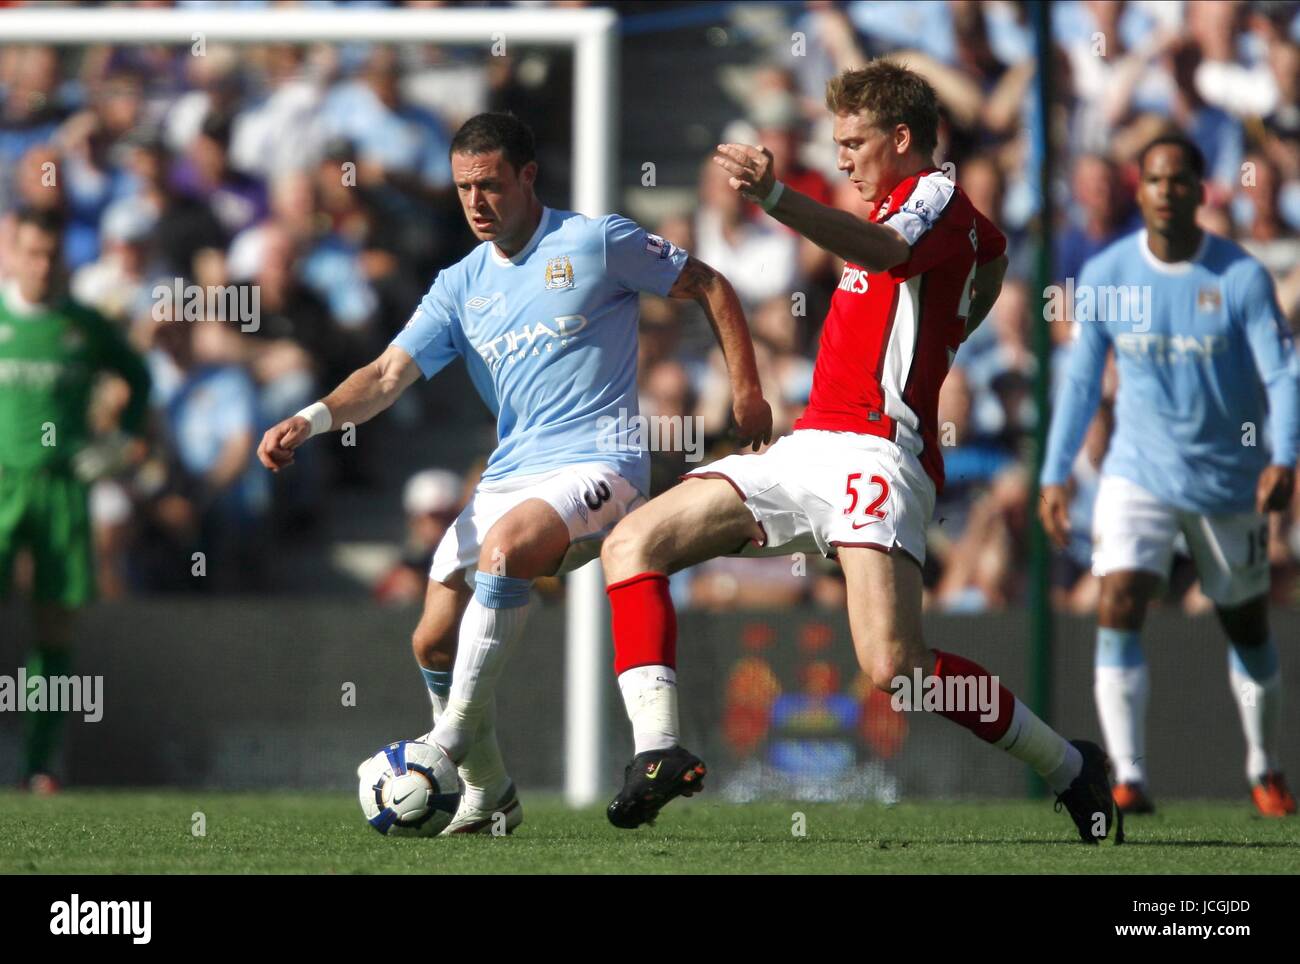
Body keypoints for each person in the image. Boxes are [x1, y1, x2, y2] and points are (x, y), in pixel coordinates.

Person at [598, 62, 1122, 844]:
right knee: (633, 540)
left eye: (855, 141)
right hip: (809, 443)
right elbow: (961, 278)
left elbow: (896, 250)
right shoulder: (895, 213)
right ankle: (659, 751)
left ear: (903, 139)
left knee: (895, 668)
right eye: (836, 142)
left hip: (879, 453)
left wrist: (777, 199)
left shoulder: (936, 197)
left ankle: (1069, 767)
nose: (841, 157)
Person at [256, 112, 771, 834]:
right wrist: (308, 421)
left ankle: (446, 745)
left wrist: (746, 391)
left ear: (528, 176)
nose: (475, 201)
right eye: (464, 186)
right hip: (511, 473)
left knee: (506, 549)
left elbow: (711, 285)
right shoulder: (460, 283)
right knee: (431, 640)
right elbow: (385, 374)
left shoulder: (595, 242)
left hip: (601, 463)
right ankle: (492, 788)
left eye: (491, 184)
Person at [1040, 134, 1300, 817]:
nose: (1165, 192)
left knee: (1244, 622)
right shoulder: (1106, 275)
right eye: (1154, 180)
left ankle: (1264, 768)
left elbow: (1282, 370)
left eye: (1178, 181)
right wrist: (1054, 471)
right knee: (1118, 597)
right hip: (1137, 473)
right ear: (1140, 188)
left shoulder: (1238, 277)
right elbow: (1079, 382)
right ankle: (1127, 775)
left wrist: (1283, 456)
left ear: (1199, 189)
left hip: (1226, 477)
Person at [0, 207, 150, 792]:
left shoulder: (83, 326)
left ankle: (40, 764)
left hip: (62, 486)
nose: (40, 266)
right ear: (13, 253)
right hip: (4, 481)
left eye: (50, 255)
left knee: (55, 626)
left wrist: (118, 443)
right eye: (31, 253)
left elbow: (137, 378)